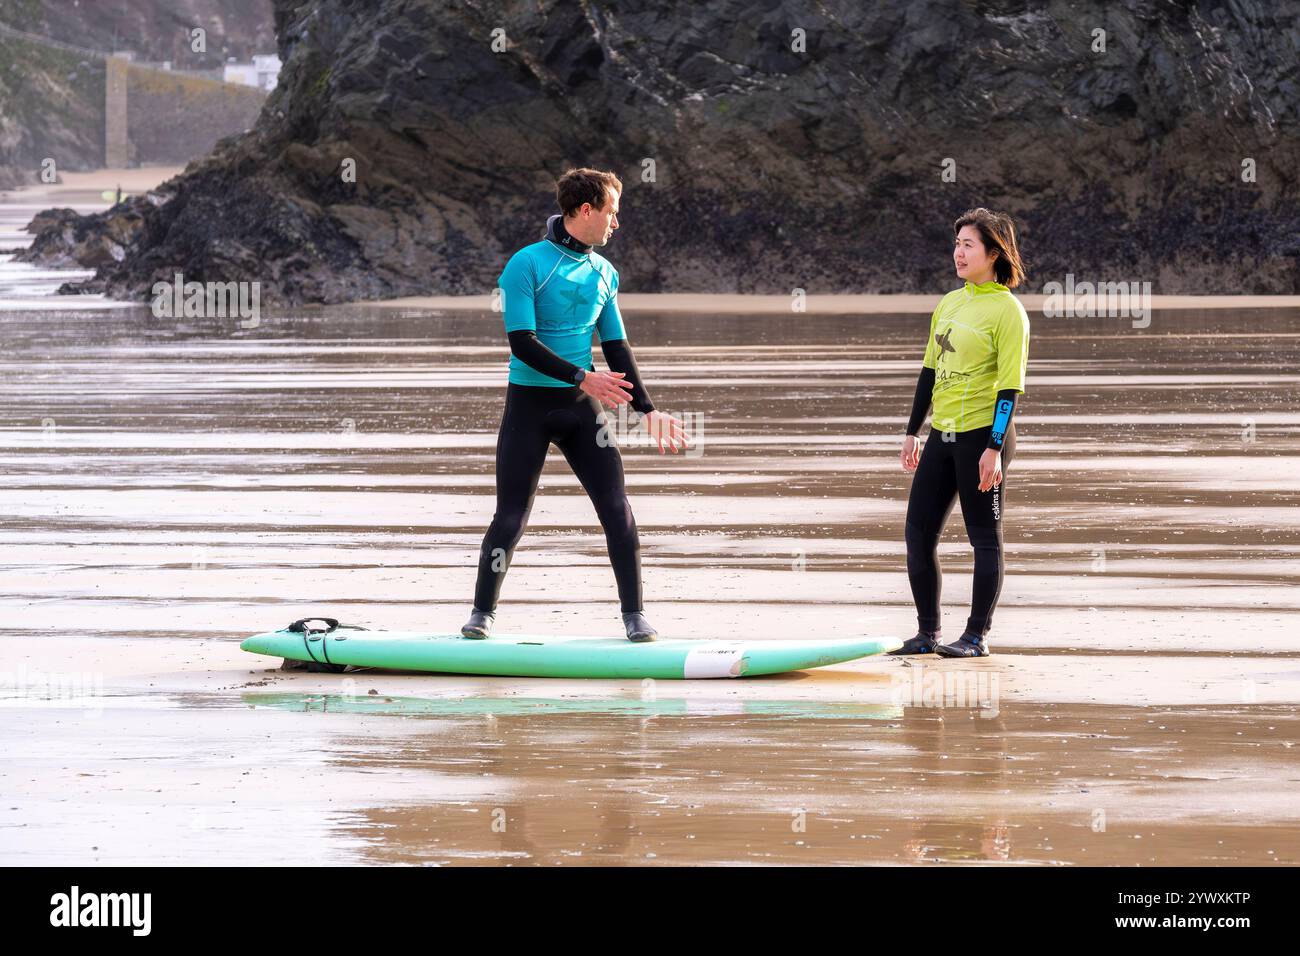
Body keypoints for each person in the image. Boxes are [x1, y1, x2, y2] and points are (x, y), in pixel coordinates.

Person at [462, 168, 690, 643]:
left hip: (582, 410)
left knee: (616, 508)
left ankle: (635, 616)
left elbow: (618, 347)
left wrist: (648, 411)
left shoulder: (604, 272)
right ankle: (482, 613)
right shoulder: (525, 265)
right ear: (586, 210)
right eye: (612, 212)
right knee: (511, 516)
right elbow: (522, 343)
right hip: (529, 407)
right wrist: (581, 375)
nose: (616, 223)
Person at [892, 208, 1030, 658]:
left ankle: (975, 636)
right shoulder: (950, 303)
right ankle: (927, 633)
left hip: (981, 439)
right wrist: (914, 431)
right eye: (956, 244)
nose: (958, 253)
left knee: (984, 538)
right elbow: (929, 372)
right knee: (918, 534)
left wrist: (993, 445)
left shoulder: (1008, 312)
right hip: (942, 436)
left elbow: (1010, 387)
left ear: (994, 253)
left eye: (968, 245)